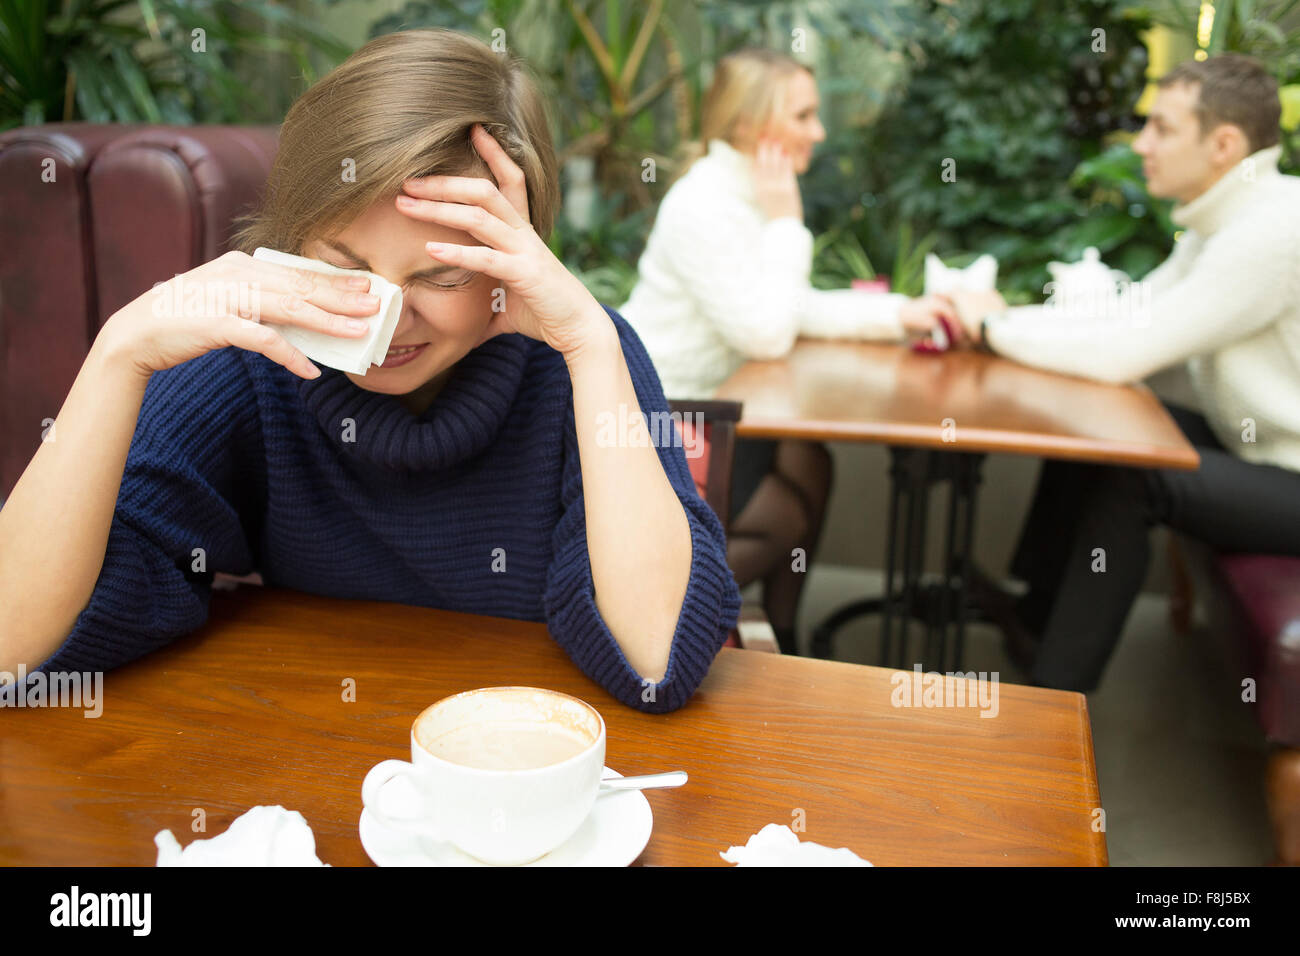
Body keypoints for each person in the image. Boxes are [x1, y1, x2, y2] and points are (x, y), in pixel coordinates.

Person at [0, 28, 741, 714]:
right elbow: (12, 654)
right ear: (291, 244)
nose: (387, 317)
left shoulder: (583, 359)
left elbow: (655, 660)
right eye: (345, 266)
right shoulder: (255, 359)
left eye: (441, 275)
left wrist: (589, 343)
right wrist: (116, 354)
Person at [949, 54, 1300, 691]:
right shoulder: (1224, 221)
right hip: (1261, 452)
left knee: (1137, 479)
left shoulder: (1272, 231)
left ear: (1224, 144)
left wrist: (993, 330)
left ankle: (1054, 711)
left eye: (1162, 128)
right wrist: (1004, 320)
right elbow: (1122, 317)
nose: (1142, 143)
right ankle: (1034, 618)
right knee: (1101, 424)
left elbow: (1124, 353)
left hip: (1291, 479)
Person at [619, 47, 957, 655]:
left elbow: (788, 304)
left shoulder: (743, 195)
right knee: (784, 519)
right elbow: (767, 332)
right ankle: (670, 608)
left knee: (811, 463)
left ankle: (785, 640)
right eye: (802, 116)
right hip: (664, 417)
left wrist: (898, 314)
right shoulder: (704, 205)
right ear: (749, 125)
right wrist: (787, 221)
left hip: (715, 407)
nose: (818, 132)